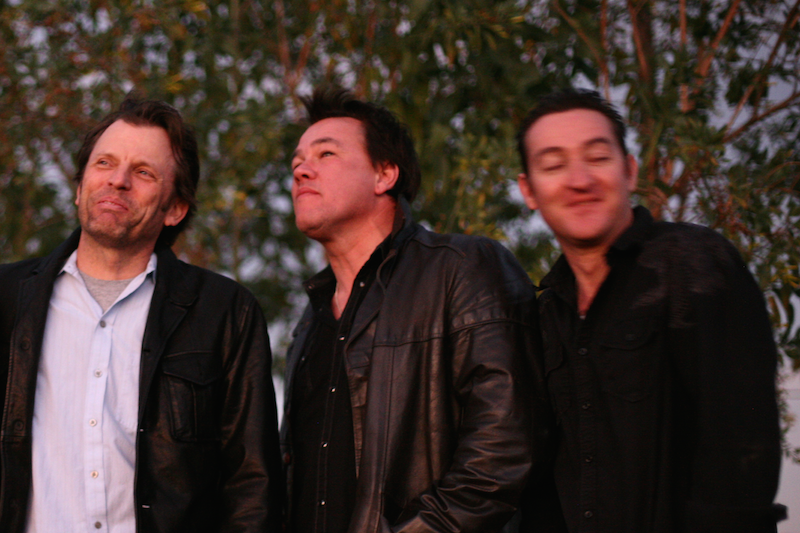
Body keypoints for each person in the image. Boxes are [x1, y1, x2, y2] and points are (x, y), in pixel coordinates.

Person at [0, 96, 282, 532]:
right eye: (104, 164)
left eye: (144, 172)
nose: (118, 181)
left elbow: (252, 487)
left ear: (175, 209)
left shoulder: (225, 312)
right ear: (78, 187)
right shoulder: (7, 299)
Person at [516, 88, 785, 532]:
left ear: (630, 170)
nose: (579, 180)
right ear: (529, 190)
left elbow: (741, 455)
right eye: (553, 165)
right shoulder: (546, 314)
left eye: (597, 157)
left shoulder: (693, 264)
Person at [281, 86, 546, 533]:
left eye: (326, 154)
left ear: (385, 174)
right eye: (297, 163)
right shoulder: (310, 321)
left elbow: (502, 453)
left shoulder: (462, 268)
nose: (301, 171)